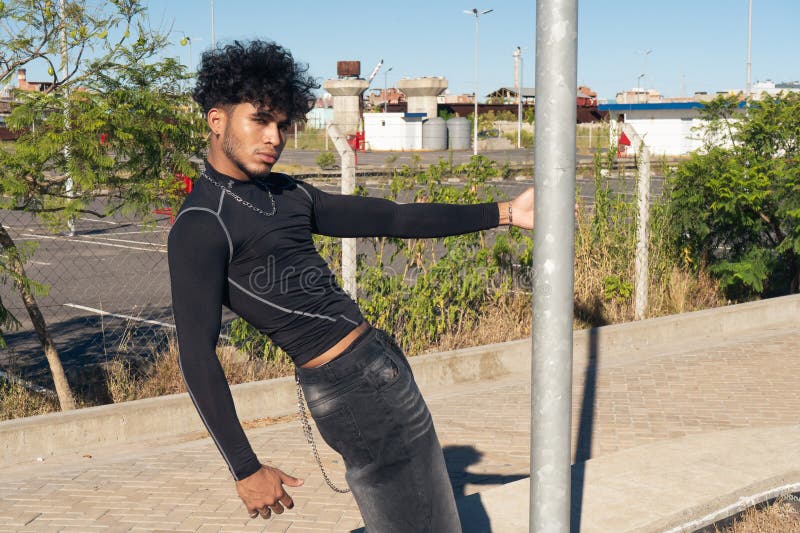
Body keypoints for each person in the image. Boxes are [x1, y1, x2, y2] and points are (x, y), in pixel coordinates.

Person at [167, 40, 534, 532]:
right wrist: (245, 467)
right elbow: (196, 354)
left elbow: (393, 217)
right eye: (260, 120)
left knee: (426, 515)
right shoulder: (201, 224)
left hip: (380, 364)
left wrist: (506, 213)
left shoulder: (286, 192)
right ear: (217, 121)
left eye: (282, 123)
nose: (275, 137)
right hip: (350, 387)